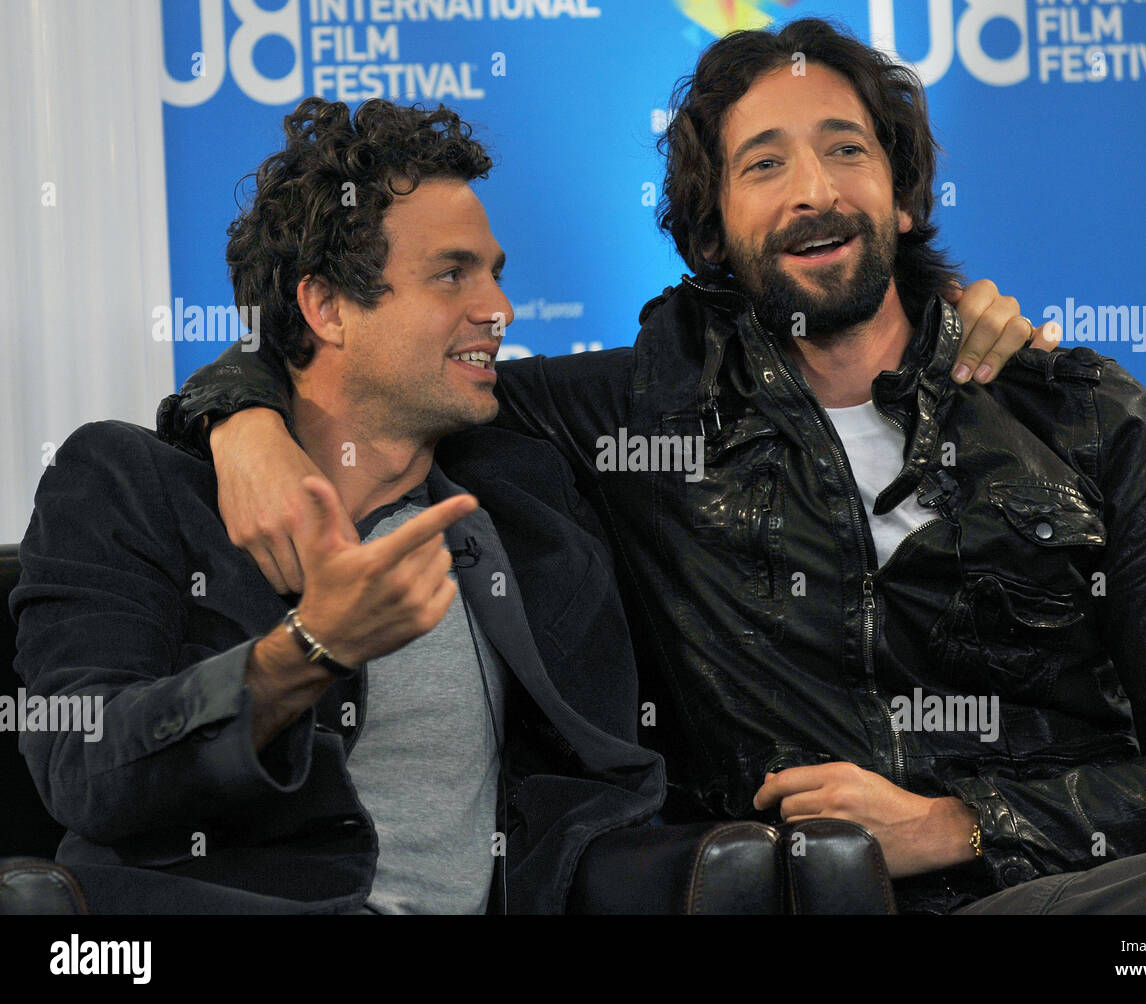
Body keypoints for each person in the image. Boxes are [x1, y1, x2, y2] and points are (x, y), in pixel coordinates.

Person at [158, 20, 1146, 914]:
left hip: (1059, 890)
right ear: (713, 231)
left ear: (900, 198)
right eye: (764, 165)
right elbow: (374, 362)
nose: (812, 189)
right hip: (790, 899)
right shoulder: (627, 409)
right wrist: (236, 414)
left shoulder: (1079, 411)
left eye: (845, 150)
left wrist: (956, 821)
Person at [10, 99, 664, 914]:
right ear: (325, 308)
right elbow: (85, 761)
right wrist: (308, 652)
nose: (497, 308)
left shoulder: (529, 490)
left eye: (496, 271)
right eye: (452, 274)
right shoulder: (125, 484)